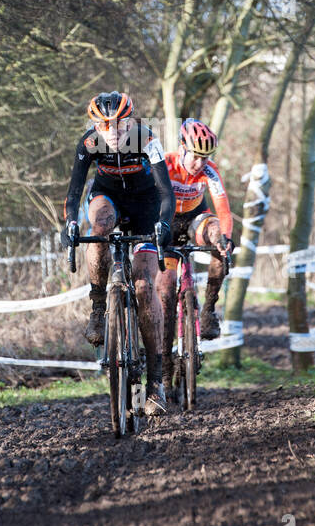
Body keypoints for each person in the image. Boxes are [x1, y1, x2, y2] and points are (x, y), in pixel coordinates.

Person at [61, 91, 175, 415]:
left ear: (131, 121)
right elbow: (74, 192)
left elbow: (166, 193)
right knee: (99, 226)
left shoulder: (146, 139)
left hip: (146, 206)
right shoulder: (89, 143)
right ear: (95, 125)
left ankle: (155, 382)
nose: (112, 132)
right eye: (104, 125)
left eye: (119, 124)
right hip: (107, 199)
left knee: (144, 285)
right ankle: (99, 307)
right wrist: (70, 223)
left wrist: (164, 224)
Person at [158, 119, 234, 397]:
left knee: (219, 238)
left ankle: (209, 309)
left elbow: (223, 211)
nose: (200, 163)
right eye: (195, 156)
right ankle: (165, 364)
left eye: (205, 157)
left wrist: (225, 237)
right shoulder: (164, 165)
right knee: (166, 292)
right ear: (182, 148)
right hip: (166, 225)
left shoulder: (210, 172)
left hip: (195, 220)